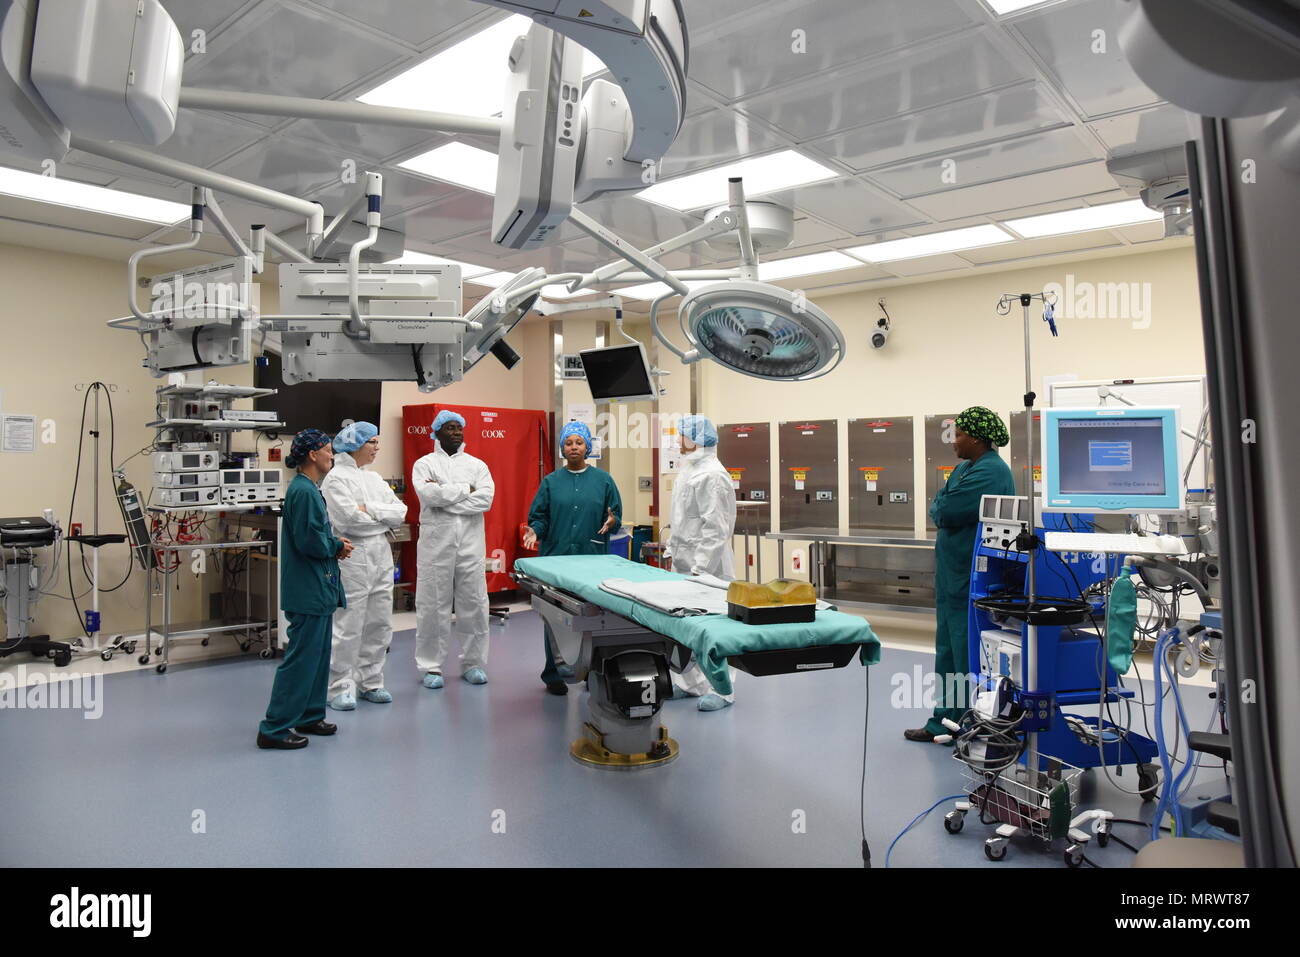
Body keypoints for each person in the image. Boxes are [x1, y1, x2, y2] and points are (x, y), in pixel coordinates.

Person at [905, 407, 1016, 744]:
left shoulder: (992, 472)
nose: (954, 440)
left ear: (978, 438)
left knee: (968, 653)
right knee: (949, 651)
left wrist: (942, 505)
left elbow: (947, 509)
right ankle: (944, 721)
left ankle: (973, 720)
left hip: (972, 577)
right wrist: (942, 504)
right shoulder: (966, 468)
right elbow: (940, 504)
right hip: (953, 576)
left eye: (960, 434)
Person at [257, 429, 353, 750]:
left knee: (318, 656)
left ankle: (310, 715)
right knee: (301, 659)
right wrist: (337, 544)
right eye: (328, 450)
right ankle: (275, 727)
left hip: (317, 588)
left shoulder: (309, 489)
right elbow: (311, 541)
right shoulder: (304, 492)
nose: (332, 456)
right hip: (308, 589)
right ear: (312, 454)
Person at [523, 421, 622, 695]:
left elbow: (615, 516)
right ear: (562, 449)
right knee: (555, 617)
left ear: (587, 446)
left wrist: (612, 521)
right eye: (569, 443)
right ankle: (553, 672)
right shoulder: (551, 482)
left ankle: (591, 672)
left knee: (593, 618)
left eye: (579, 442)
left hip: (592, 559)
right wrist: (534, 530)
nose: (574, 447)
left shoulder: (604, 481)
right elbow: (539, 517)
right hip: (556, 558)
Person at [320, 421, 408, 711]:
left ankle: (371, 680)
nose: (377, 447)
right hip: (352, 557)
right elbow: (347, 521)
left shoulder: (374, 479)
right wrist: (381, 517)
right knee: (349, 623)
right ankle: (340, 685)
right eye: (372, 442)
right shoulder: (335, 479)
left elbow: (401, 512)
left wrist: (369, 510)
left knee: (380, 621)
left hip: (381, 555)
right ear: (355, 444)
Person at [412, 410, 495, 688]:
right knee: (432, 604)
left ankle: (473, 663)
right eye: (450, 427)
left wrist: (446, 495)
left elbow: (485, 500)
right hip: (436, 546)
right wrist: (465, 490)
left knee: (474, 603)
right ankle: (431, 666)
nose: (457, 432)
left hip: (471, 545)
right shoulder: (424, 464)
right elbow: (428, 495)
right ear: (436, 432)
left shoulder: (477, 465)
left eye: (460, 427)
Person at [666, 413, 739, 711]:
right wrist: (673, 551)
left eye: (681, 434)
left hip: (708, 569)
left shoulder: (712, 475)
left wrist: (702, 568)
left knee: (715, 630)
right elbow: (683, 520)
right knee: (688, 629)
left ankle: (723, 690)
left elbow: (717, 528)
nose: (677, 440)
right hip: (685, 565)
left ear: (694, 439)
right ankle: (690, 684)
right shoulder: (691, 470)